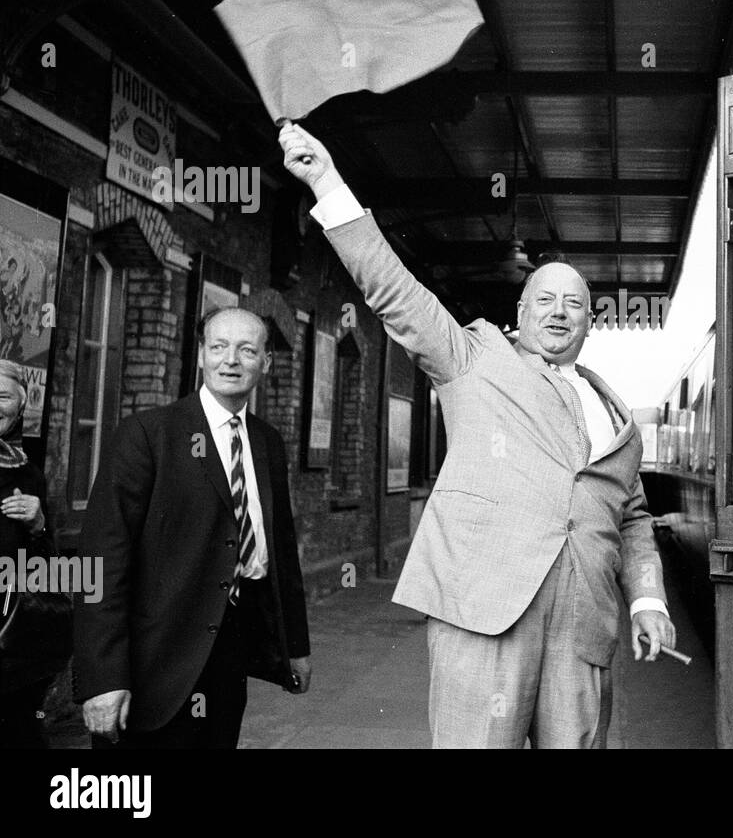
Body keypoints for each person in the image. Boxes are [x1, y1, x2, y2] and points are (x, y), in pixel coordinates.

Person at [278, 122, 675, 749]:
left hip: (583, 629)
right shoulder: (474, 358)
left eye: (574, 304)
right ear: (519, 311)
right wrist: (327, 181)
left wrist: (646, 601)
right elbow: (394, 292)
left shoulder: (614, 412)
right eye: (544, 299)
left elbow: (631, 519)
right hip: (488, 609)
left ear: (589, 322)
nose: (558, 312)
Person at [73, 307, 311, 748]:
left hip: (230, 647)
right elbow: (99, 563)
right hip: (152, 661)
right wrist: (102, 677)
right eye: (218, 347)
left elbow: (278, 548)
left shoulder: (267, 443)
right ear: (201, 355)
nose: (231, 361)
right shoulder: (148, 434)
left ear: (266, 362)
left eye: (246, 350)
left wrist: (294, 644)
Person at [0, 359, 69, 748]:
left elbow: (47, 564)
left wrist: (39, 523)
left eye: (3, 396)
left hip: (13, 630)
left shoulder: (29, 472)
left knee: (20, 728)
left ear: (21, 405)